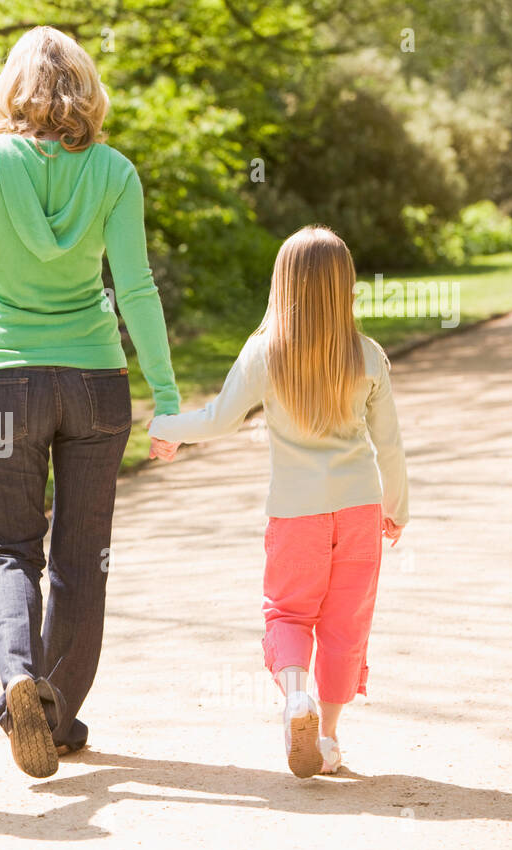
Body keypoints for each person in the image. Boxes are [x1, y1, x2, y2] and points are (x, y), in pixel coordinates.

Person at [0, 26, 182, 778]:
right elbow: (135, 286)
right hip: (97, 380)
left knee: (10, 549)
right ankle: (54, 715)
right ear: (87, 91)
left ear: (11, 89)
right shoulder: (115, 172)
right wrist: (167, 395)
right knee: (81, 559)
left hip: (7, 380)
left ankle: (20, 682)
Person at [149, 225, 409, 778]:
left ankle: (297, 699)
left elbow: (219, 419)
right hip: (360, 510)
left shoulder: (265, 352)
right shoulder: (368, 356)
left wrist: (167, 426)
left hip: (296, 515)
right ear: (346, 286)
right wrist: (397, 506)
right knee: (346, 622)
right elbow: (389, 443)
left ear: (282, 283)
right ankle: (331, 739)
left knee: (290, 612)